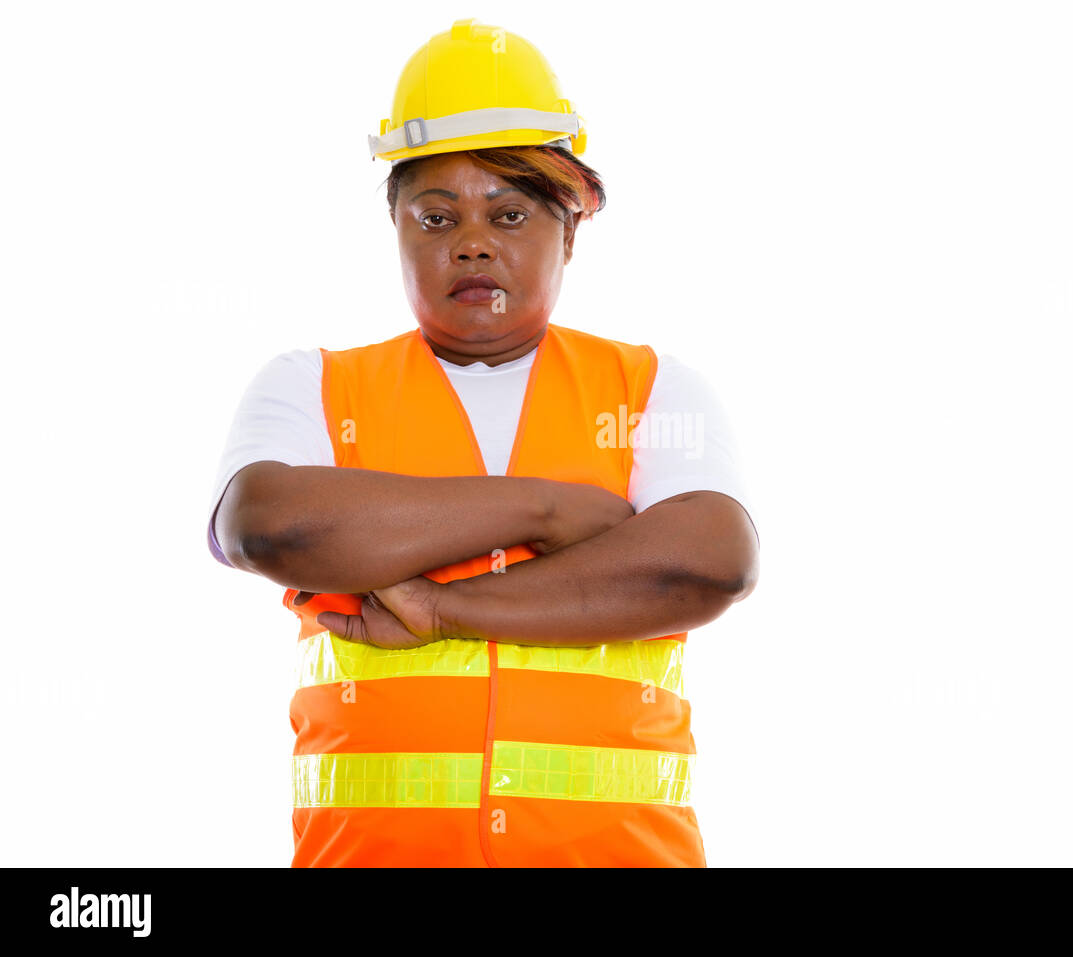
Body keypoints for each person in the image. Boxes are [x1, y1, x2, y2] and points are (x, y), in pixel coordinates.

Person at [206, 19, 759, 867]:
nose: (472, 241)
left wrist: (440, 606)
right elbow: (268, 528)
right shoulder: (310, 385)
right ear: (394, 225)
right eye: (435, 217)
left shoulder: (654, 389)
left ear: (569, 232)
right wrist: (545, 506)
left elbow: (708, 562)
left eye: (508, 213)